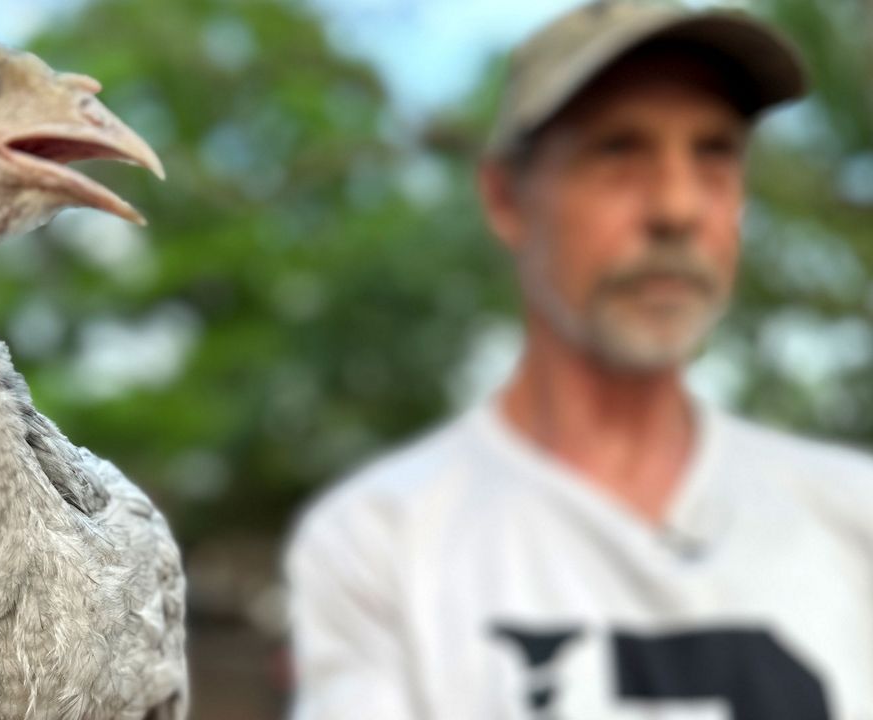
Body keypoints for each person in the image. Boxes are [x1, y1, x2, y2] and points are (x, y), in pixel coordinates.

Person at [286, 1, 873, 718]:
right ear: (507, 197)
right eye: (618, 149)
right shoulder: (377, 544)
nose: (678, 207)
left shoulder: (853, 518)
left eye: (715, 152)